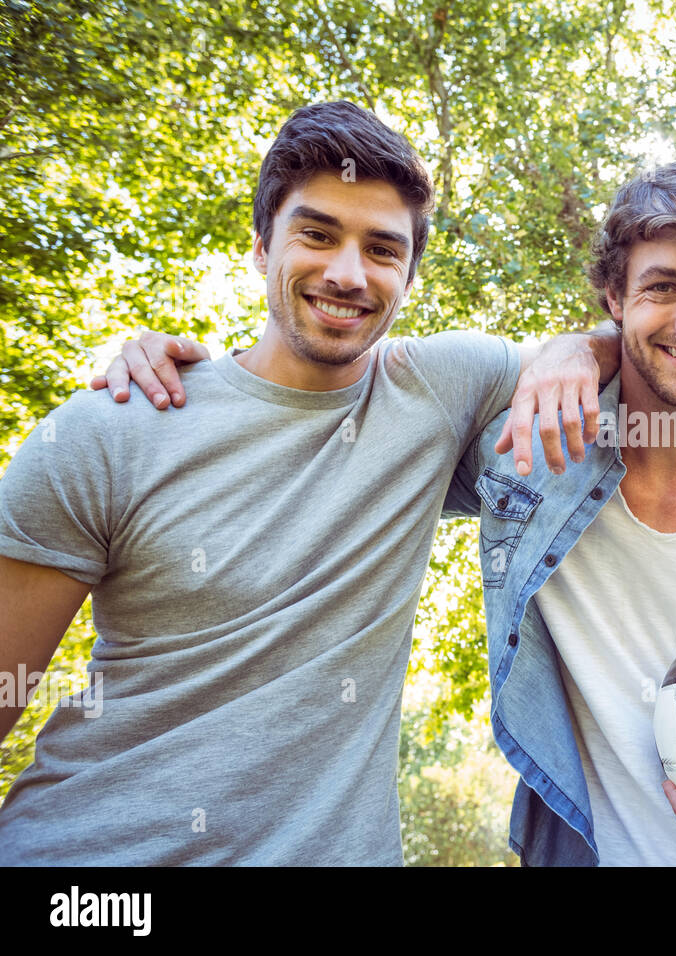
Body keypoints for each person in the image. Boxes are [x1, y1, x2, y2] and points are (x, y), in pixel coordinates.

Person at [97, 156, 676, 866]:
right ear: (614, 296)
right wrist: (194, 380)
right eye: (662, 286)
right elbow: (325, 408)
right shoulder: (524, 453)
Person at [0, 100, 611, 865]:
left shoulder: (439, 390)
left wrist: (580, 350)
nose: (349, 274)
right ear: (261, 246)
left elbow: (631, 345)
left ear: (410, 277)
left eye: (383, 250)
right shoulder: (112, 429)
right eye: (317, 235)